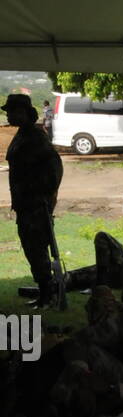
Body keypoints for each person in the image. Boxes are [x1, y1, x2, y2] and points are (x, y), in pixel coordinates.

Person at [4, 94, 63, 307]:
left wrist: (45, 195)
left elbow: (55, 168)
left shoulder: (35, 137)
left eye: (12, 111)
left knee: (37, 248)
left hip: (36, 205)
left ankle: (48, 295)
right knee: (31, 248)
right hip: (25, 204)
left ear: (24, 113)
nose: (8, 115)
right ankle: (44, 292)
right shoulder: (22, 135)